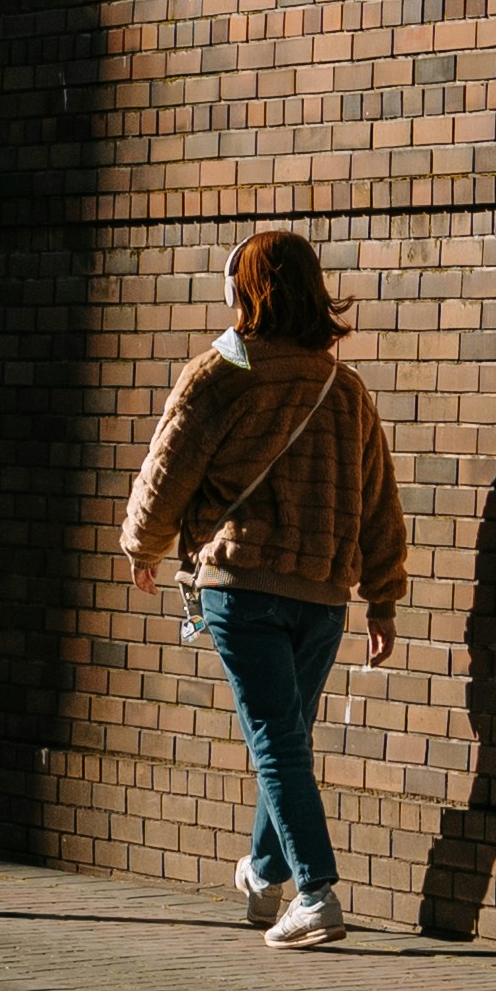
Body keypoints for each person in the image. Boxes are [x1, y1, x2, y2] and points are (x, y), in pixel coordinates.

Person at [122, 227, 408, 950]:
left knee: (277, 743)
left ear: (240, 290)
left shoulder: (223, 370)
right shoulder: (344, 389)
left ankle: (315, 892)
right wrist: (382, 596)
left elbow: (169, 467)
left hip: (242, 585)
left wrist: (143, 545)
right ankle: (261, 875)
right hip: (323, 596)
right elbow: (379, 499)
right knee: (285, 736)